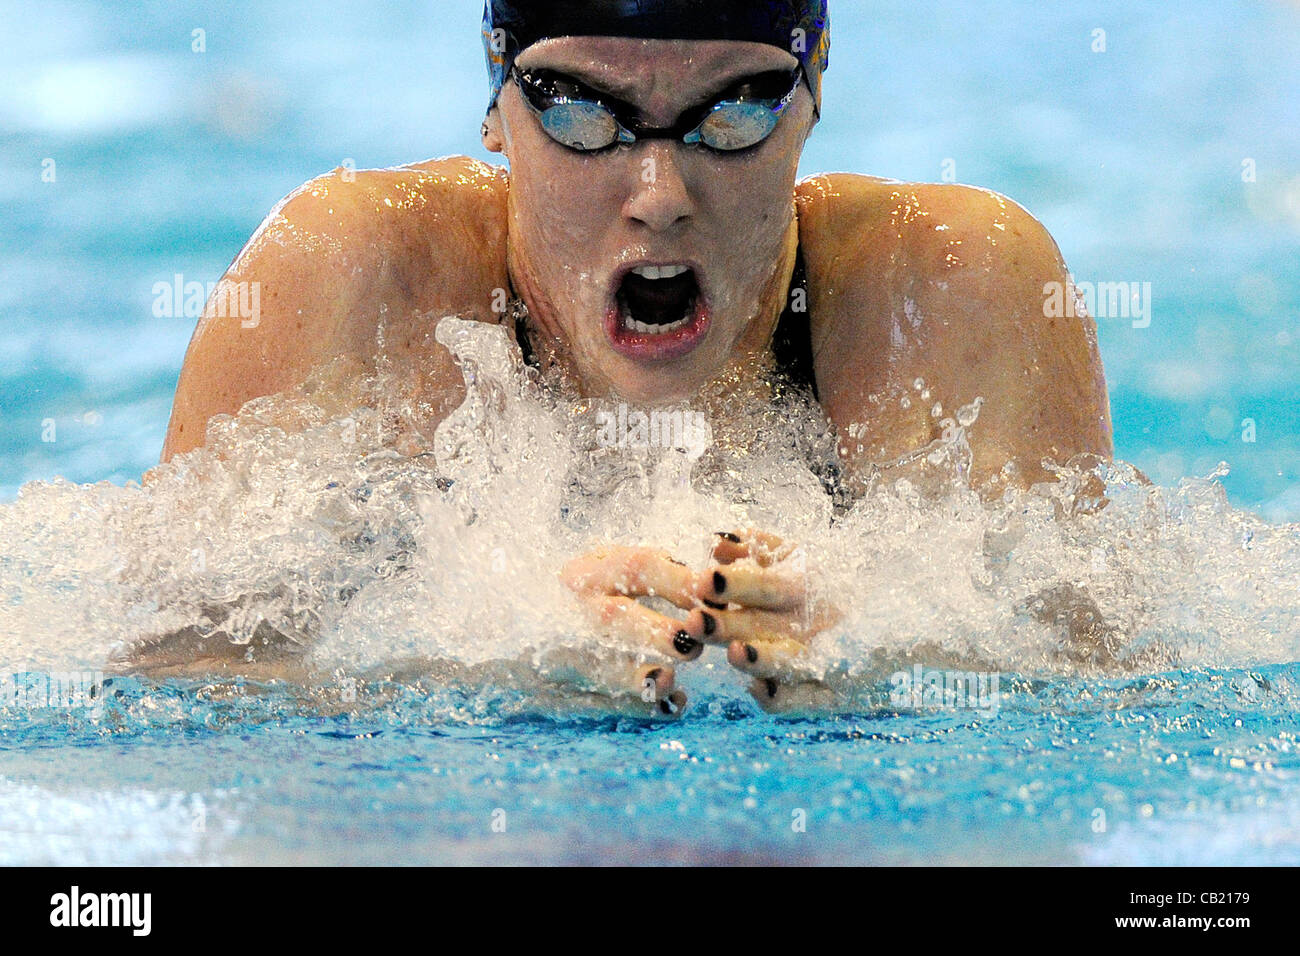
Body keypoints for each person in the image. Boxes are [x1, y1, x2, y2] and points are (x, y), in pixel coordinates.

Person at [155, 1, 1114, 712]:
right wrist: (495, 656)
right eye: (581, 115)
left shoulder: (954, 288)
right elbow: (179, 696)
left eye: (734, 115)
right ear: (496, 107)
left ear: (814, 98)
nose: (659, 192)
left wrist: (887, 659)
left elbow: (1098, 692)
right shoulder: (353, 279)